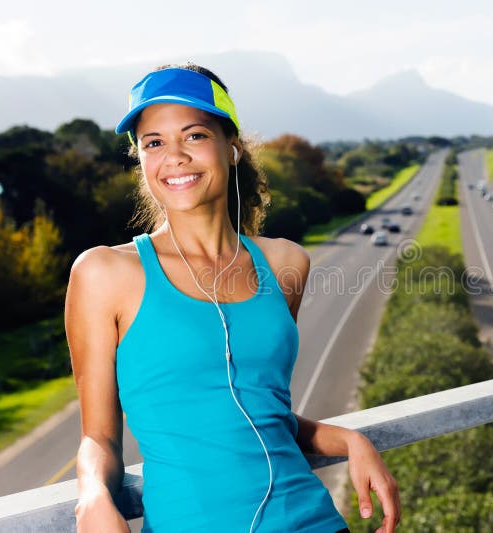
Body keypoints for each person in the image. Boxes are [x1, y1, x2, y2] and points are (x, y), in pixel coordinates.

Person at [65, 63, 400, 532]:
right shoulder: (103, 273)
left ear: (233, 148)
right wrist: (94, 496)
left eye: (195, 135)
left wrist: (349, 440)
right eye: (154, 143)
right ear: (141, 159)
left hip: (313, 520)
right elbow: (98, 437)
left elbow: (265, 414)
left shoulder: (286, 264)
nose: (175, 156)